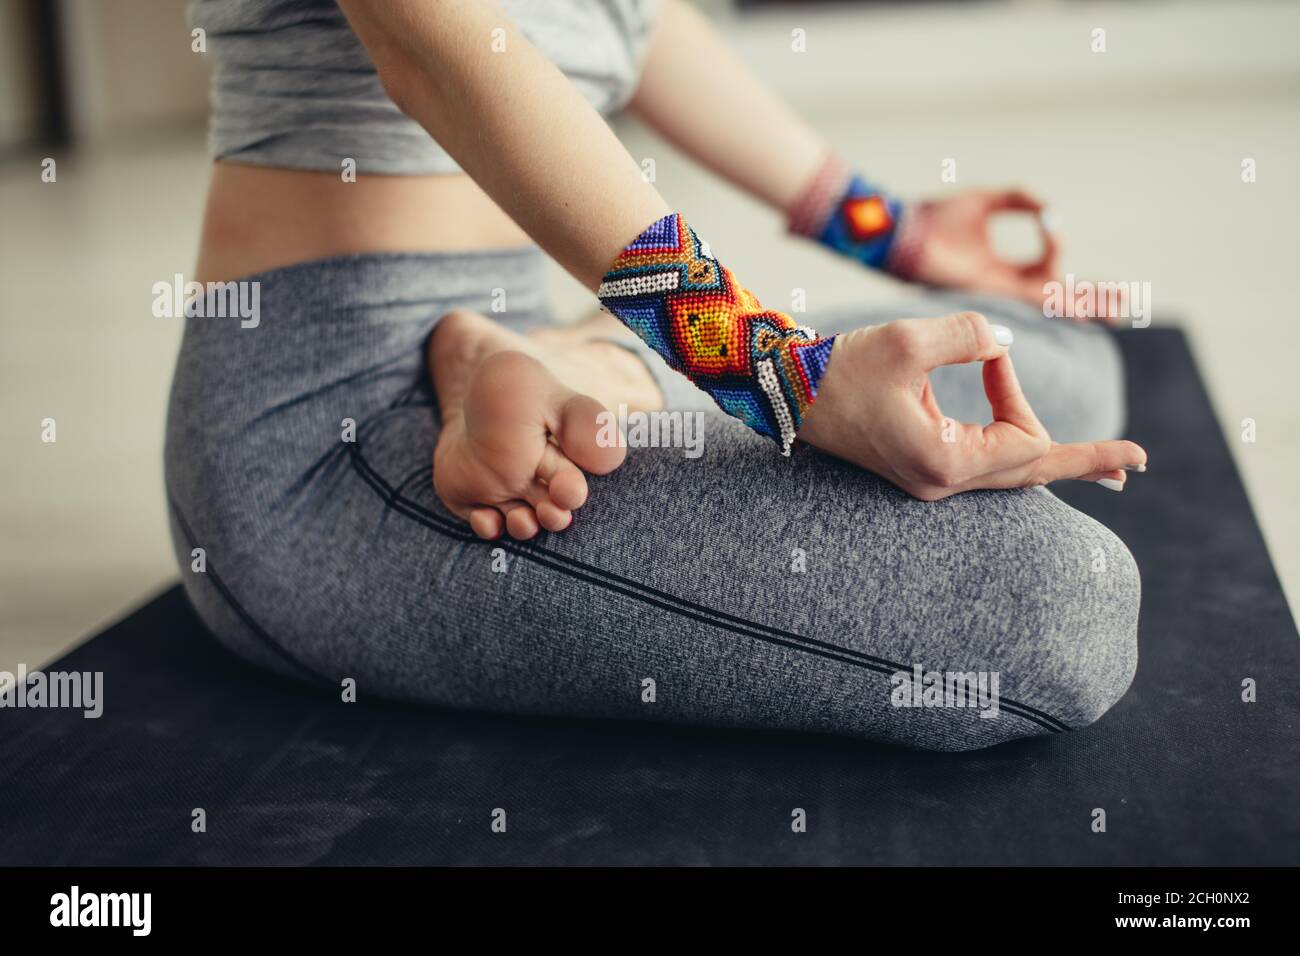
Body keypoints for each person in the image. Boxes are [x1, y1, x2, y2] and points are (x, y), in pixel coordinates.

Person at [167, 0, 1145, 751]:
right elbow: (431, 51)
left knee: (1052, 362)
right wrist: (776, 371)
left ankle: (587, 357)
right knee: (1062, 605)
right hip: (327, 433)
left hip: (538, 326)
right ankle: (601, 362)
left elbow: (635, 20)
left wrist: (900, 232)